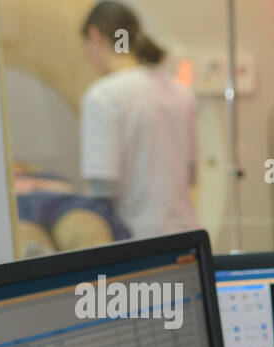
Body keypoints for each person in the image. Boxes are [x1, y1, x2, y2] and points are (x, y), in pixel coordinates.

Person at [79, 1, 198, 238]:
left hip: (137, 241)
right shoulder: (181, 92)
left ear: (94, 36)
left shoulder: (102, 96)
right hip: (187, 235)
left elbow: (102, 190)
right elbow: (191, 174)